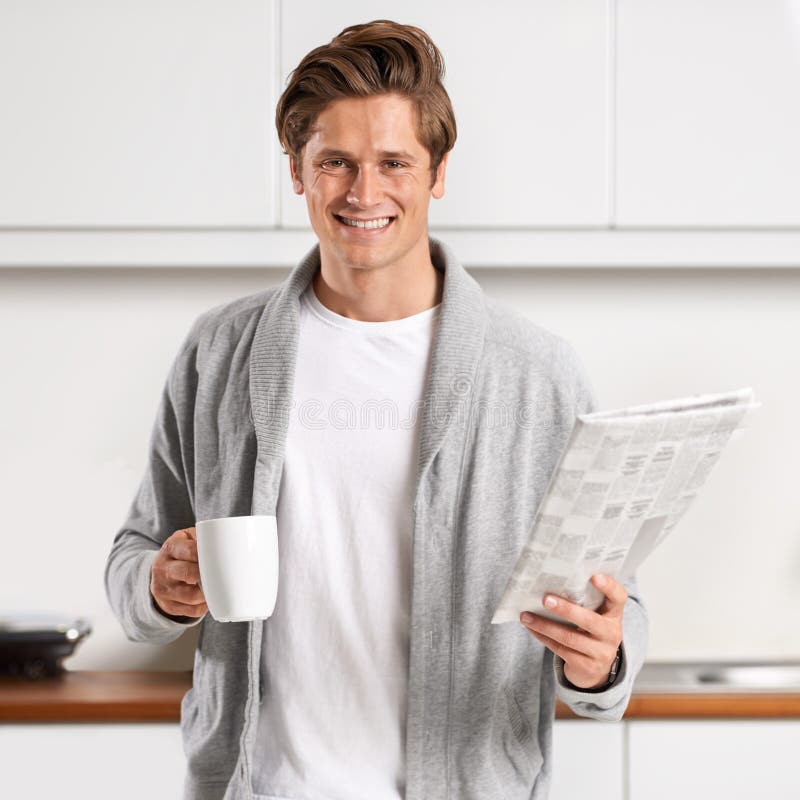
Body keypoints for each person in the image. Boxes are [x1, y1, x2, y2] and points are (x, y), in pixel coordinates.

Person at [105, 19, 647, 800]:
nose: (364, 194)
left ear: (438, 173)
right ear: (297, 170)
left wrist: (606, 659)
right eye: (336, 163)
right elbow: (134, 554)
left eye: (393, 162)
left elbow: (617, 599)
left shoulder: (535, 373)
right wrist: (159, 585)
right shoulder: (219, 352)